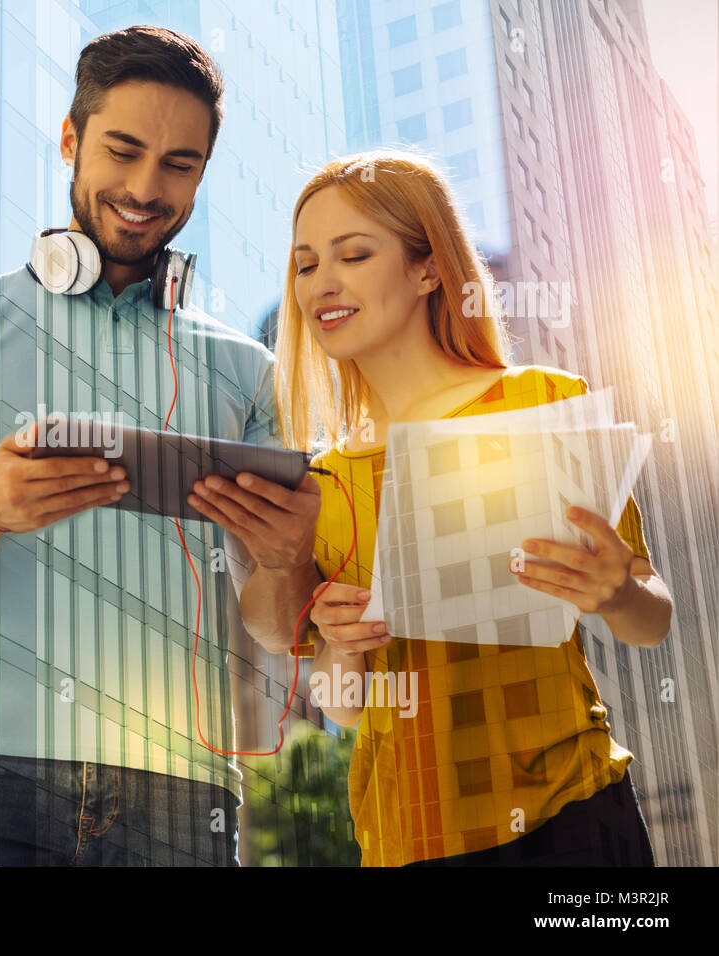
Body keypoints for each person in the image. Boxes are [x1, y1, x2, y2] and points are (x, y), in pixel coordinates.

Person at [0, 25, 312, 866]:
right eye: (122, 150)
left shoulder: (254, 374)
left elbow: (277, 634)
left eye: (179, 163)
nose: (145, 187)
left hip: (184, 794)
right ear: (70, 139)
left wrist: (284, 563)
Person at [198, 150, 673, 866]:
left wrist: (618, 590)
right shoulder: (322, 481)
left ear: (428, 269)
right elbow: (344, 706)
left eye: (353, 255)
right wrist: (342, 643)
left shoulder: (541, 402)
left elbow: (652, 620)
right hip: (405, 841)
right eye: (305, 264)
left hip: (572, 820)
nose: (323, 283)